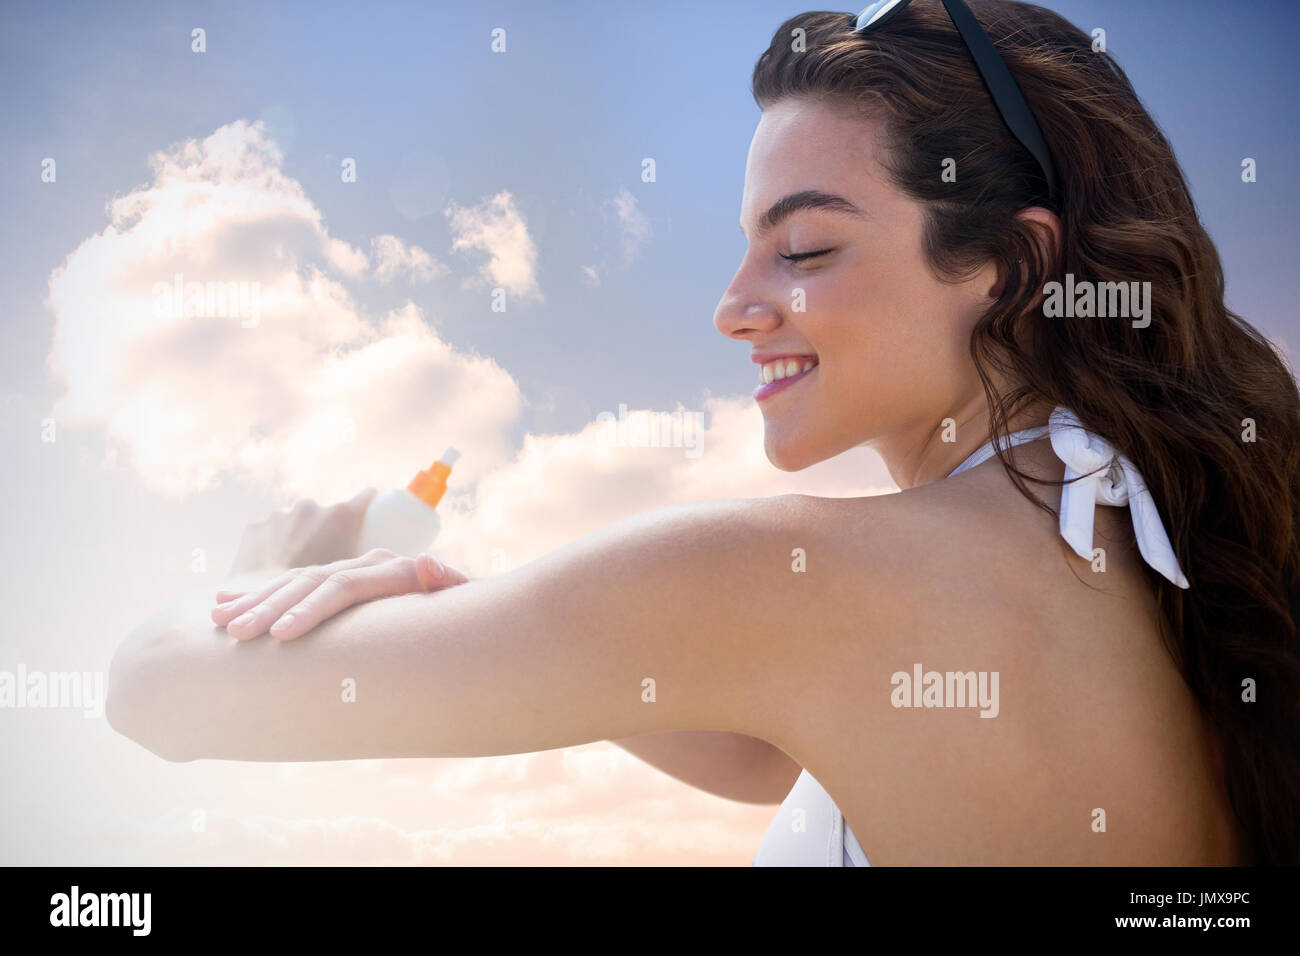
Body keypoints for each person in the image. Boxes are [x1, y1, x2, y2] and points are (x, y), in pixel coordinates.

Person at [107, 1, 1300, 865]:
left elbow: (158, 689)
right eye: (742, 241)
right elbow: (763, 749)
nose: (732, 303)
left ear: (1011, 262)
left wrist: (265, 578)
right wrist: (474, 598)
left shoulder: (806, 583)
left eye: (806, 245)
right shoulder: (1174, 552)